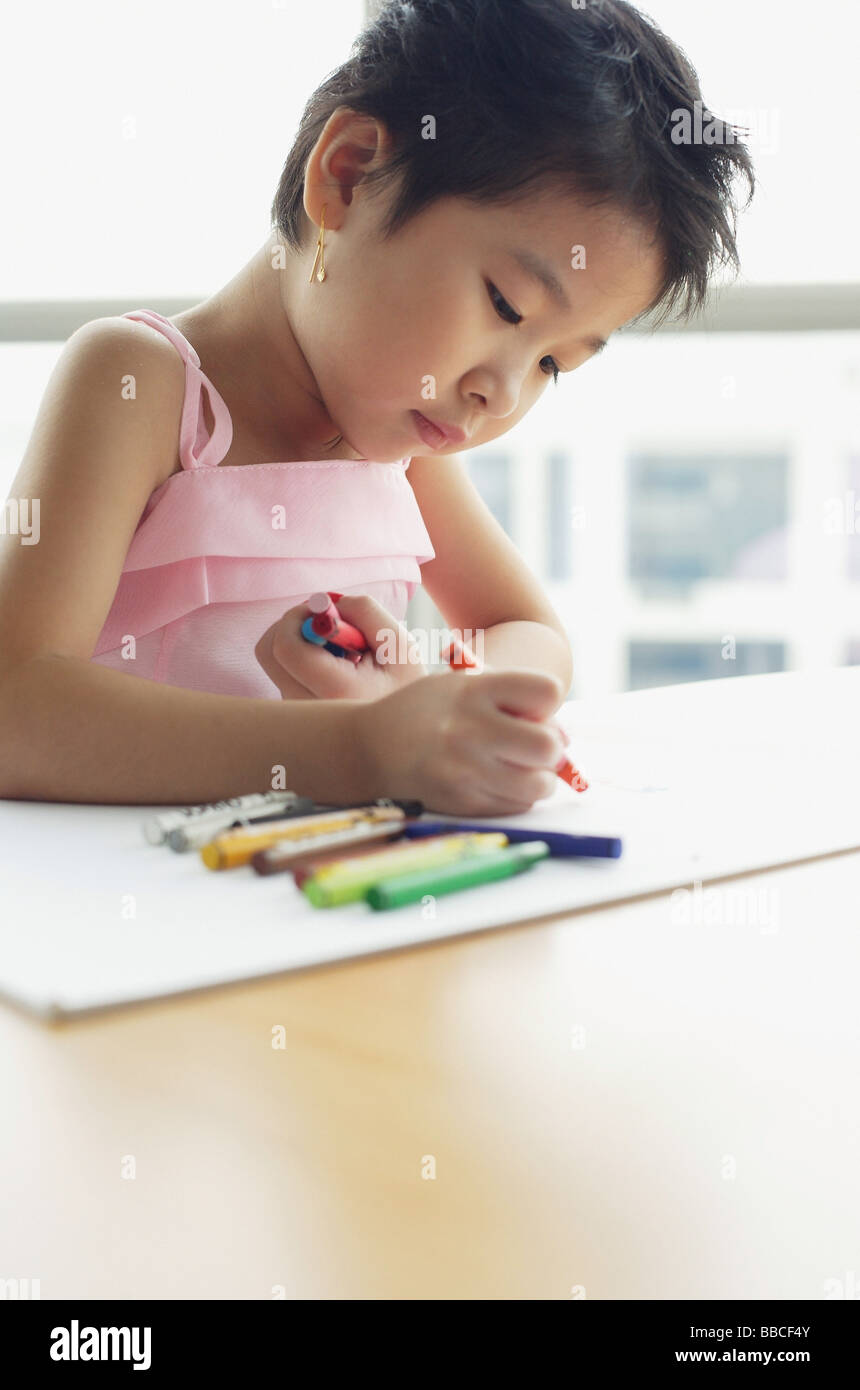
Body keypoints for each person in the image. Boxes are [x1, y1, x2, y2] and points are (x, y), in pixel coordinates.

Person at [0, 0, 754, 814]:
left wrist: (450, 709)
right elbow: (16, 707)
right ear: (349, 175)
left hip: (312, 897)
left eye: (550, 364)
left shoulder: (400, 450)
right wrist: (361, 750)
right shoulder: (142, 385)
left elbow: (529, 633)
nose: (500, 394)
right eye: (505, 305)